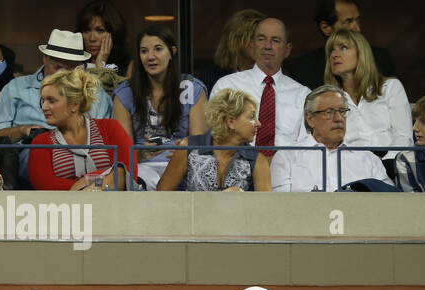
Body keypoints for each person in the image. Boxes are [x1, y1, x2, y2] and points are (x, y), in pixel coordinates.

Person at [112, 24, 208, 188]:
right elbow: (123, 153)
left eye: (158, 49)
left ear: (172, 51)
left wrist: (184, 150)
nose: (150, 56)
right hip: (142, 168)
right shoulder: (124, 93)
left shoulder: (194, 88)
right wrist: (141, 154)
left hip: (183, 167)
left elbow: (200, 146)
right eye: (144, 51)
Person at [212, 17, 312, 156]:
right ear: (252, 45)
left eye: (275, 40)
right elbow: (216, 137)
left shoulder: (303, 95)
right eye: (261, 39)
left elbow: (306, 148)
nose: (267, 46)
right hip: (236, 169)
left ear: (287, 50)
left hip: (286, 173)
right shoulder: (227, 86)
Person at [0, 29, 111, 141]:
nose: (62, 75)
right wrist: (23, 131)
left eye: (69, 69)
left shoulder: (96, 94)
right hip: (27, 157)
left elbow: (105, 138)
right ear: (45, 58)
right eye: (57, 67)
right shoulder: (16, 88)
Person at [27, 67, 134, 190]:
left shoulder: (110, 128)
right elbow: (46, 186)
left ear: (74, 104)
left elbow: (128, 173)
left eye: (51, 101)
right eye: (43, 101)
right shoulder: (40, 143)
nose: (44, 107)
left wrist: (84, 182)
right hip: (65, 207)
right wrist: (101, 180)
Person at [270, 85, 391, 191]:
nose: (338, 118)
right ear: (310, 119)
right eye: (329, 112)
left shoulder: (368, 159)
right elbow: (281, 206)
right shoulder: (287, 157)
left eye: (342, 111)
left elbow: (388, 202)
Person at [156, 88, 270, 191]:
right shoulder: (189, 147)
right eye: (251, 117)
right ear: (231, 122)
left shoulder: (257, 160)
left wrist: (243, 200)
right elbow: (162, 196)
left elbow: (265, 208)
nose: (258, 124)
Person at [321, 29, 411, 153]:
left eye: (344, 48)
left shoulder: (390, 87)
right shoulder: (328, 101)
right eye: (331, 50)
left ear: (361, 54)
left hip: (392, 165)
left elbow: (404, 138)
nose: (335, 55)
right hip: (351, 167)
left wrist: (385, 164)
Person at [282, 0, 399, 89]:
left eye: (357, 20)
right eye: (348, 22)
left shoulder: (380, 58)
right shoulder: (305, 68)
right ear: (326, 28)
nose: (357, 28)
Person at [194, 8, 265, 94]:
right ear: (236, 40)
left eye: (262, 39)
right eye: (253, 38)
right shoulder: (211, 77)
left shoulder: (272, 75)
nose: (263, 44)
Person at [77, 0, 131, 91]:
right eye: (86, 30)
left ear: (114, 33)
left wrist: (101, 65)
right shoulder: (75, 66)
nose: (92, 38)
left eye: (100, 30)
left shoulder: (128, 66)